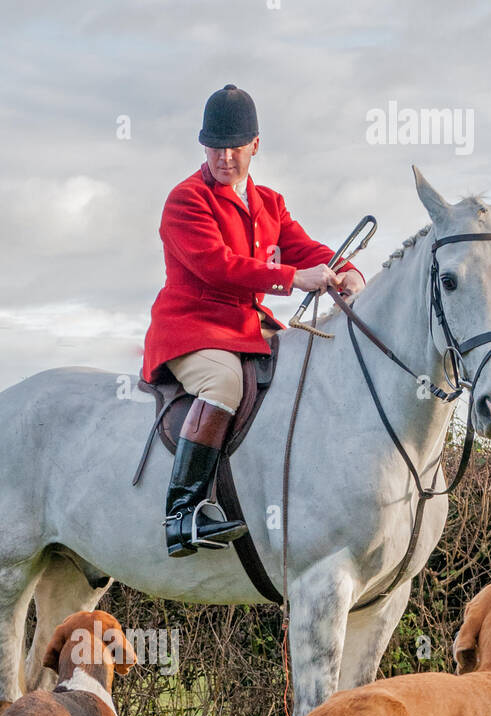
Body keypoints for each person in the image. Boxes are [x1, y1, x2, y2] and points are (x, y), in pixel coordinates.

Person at [143, 84, 365, 557]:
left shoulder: (270, 203)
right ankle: (182, 515)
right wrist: (292, 278)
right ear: (204, 146)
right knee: (224, 385)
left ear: (255, 145)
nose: (226, 158)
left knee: (305, 367)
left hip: (247, 326)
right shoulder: (186, 200)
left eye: (236, 148)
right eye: (216, 148)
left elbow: (304, 248)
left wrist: (346, 270)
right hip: (192, 326)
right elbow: (218, 266)